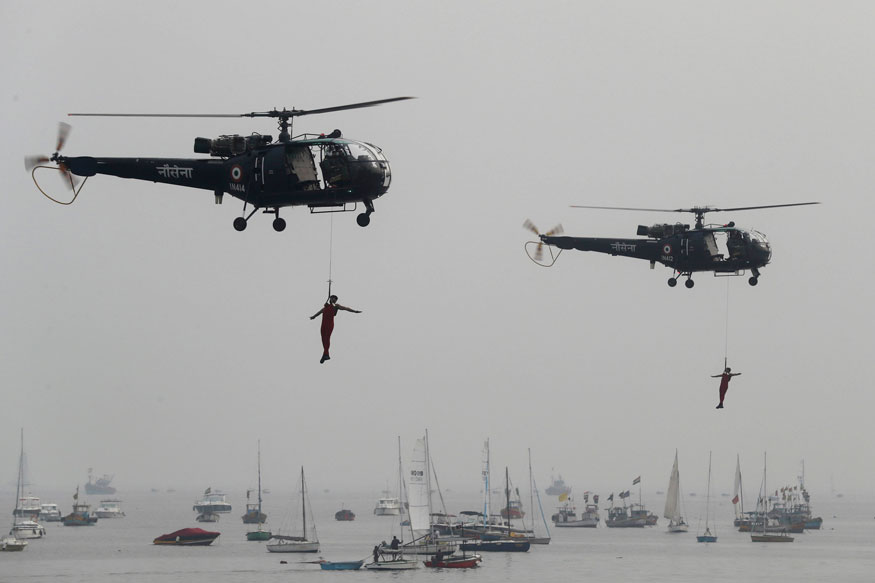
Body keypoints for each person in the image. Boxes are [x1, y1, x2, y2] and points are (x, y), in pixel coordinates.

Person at [310, 295, 361, 363]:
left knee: (327, 338)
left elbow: (346, 308)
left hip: (329, 324)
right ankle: (325, 354)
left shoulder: (336, 306)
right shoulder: (326, 307)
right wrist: (314, 316)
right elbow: (319, 312)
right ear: (330, 298)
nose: (333, 299)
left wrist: (354, 311)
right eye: (332, 298)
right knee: (323, 339)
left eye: (335, 299)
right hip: (323, 324)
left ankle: (325, 354)